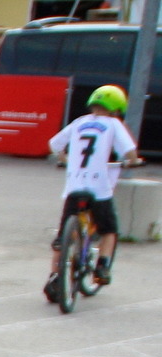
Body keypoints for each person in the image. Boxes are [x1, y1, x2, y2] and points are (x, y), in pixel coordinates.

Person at [47, 85, 142, 296]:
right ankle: (102, 268)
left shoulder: (79, 122)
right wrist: (134, 161)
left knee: (63, 236)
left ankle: (54, 278)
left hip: (74, 186)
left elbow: (54, 144)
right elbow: (129, 150)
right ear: (117, 108)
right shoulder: (113, 124)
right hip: (98, 188)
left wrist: (65, 159)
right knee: (109, 230)